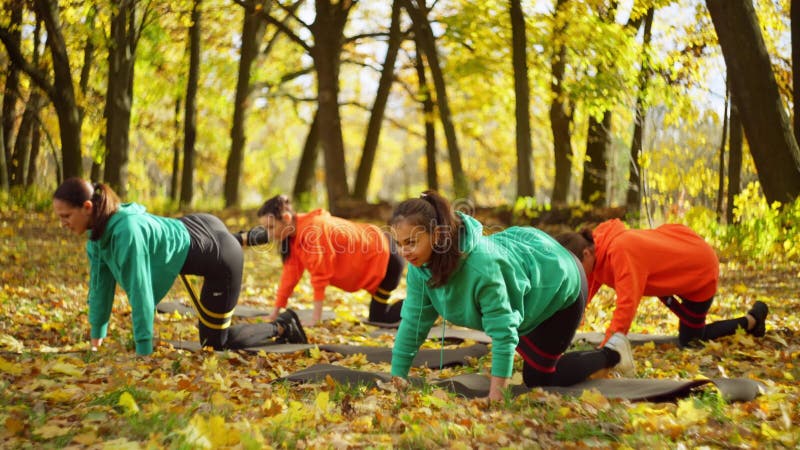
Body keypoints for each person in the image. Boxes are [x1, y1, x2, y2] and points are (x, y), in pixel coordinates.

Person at [389, 191, 628, 402]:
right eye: (399, 244)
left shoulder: (480, 268)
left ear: (438, 236)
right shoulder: (421, 269)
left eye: (411, 242)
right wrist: (397, 379)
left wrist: (496, 395)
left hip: (562, 280)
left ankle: (613, 353)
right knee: (522, 344)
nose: (403, 252)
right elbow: (413, 324)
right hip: (524, 286)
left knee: (540, 378)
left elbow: (503, 333)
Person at [52, 178, 308, 356]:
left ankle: (284, 325)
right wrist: (96, 337)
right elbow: (100, 286)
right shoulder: (98, 235)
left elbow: (141, 290)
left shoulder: (125, 232)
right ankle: (246, 238)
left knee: (215, 344)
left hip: (220, 258)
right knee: (226, 241)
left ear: (87, 207)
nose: (62, 223)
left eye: (66, 216)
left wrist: (144, 350)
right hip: (201, 228)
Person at [555, 219, 768, 373]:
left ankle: (753, 320)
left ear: (586, 254)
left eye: (576, 269)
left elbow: (627, 305)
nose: (578, 276)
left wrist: (604, 352)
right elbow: (583, 294)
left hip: (698, 268)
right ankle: (751, 321)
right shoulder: (595, 250)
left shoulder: (620, 251)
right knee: (691, 335)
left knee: (691, 339)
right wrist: (561, 329)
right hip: (673, 261)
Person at [253, 194, 405, 326]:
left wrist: (316, 318)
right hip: (379, 253)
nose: (268, 233)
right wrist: (275, 313)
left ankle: (422, 305)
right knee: (377, 317)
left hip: (389, 258)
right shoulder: (293, 239)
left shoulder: (314, 230)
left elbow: (320, 275)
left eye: (271, 227)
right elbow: (290, 276)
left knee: (379, 319)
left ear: (286, 218)